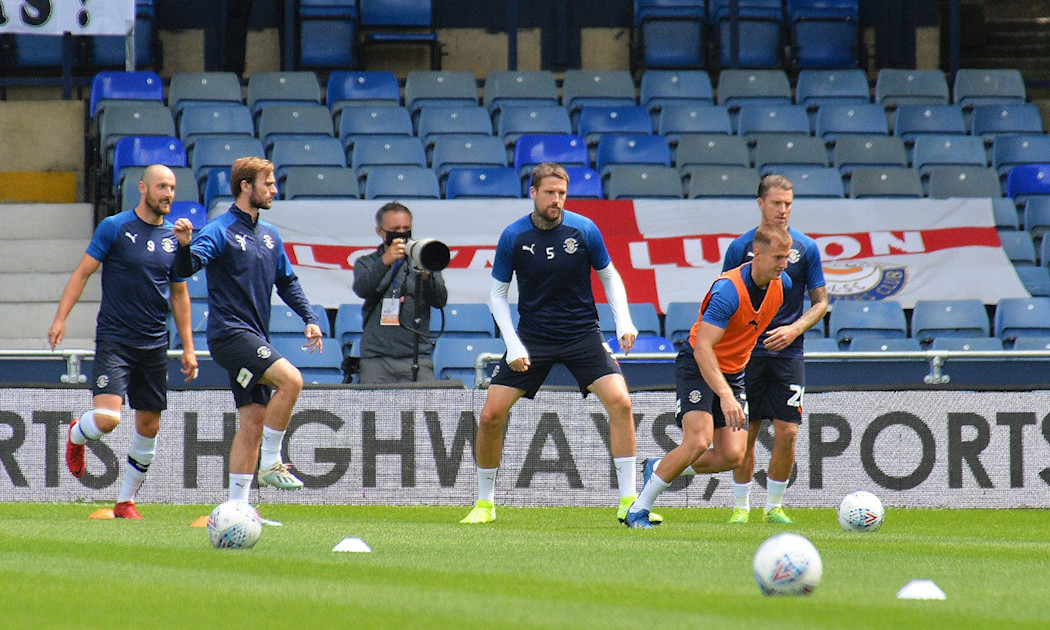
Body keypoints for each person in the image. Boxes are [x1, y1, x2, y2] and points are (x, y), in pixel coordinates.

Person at [460, 162, 648, 526]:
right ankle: (485, 504)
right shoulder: (514, 235)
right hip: (533, 338)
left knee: (621, 403)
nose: (556, 200)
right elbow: (497, 294)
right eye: (549, 192)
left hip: (582, 334)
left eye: (562, 193)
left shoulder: (584, 229)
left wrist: (623, 321)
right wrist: (513, 343)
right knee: (490, 415)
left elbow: (609, 276)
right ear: (533, 193)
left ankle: (629, 502)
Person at [49, 164, 198, 519]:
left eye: (172, 188)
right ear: (143, 189)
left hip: (154, 344)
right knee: (107, 419)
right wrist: (60, 318)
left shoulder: (174, 240)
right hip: (116, 339)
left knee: (149, 427)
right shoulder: (115, 227)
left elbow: (180, 294)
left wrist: (189, 347)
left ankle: (125, 501)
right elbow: (82, 273)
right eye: (162, 187)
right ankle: (77, 434)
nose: (168, 194)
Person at [173, 156, 323, 502]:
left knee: (254, 421)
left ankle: (236, 508)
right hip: (229, 334)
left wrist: (310, 318)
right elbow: (185, 268)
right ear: (245, 186)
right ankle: (271, 463)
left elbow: (287, 282)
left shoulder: (270, 235)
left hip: (253, 336)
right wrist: (184, 245)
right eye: (268, 183)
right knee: (292, 380)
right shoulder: (220, 229)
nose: (274, 190)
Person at [624, 224, 793, 529]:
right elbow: (703, 348)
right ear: (756, 254)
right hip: (698, 365)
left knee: (733, 456)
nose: (783, 264)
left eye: (786, 257)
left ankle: (659, 467)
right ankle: (639, 509)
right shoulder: (728, 291)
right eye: (777, 258)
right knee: (698, 442)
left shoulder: (783, 285)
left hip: (734, 371)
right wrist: (726, 395)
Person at [721, 174, 828, 524]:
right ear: (761, 204)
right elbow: (726, 294)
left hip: (788, 353)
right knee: (746, 431)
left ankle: (774, 506)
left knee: (788, 431)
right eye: (776, 203)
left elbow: (821, 302)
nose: (783, 210)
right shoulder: (739, 248)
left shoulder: (806, 248)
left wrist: (794, 328)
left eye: (788, 204)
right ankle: (741, 507)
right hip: (746, 353)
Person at [352, 201, 448, 384]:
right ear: (380, 232)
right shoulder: (366, 262)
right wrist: (384, 262)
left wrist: (427, 275)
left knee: (427, 400)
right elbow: (362, 289)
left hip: (417, 356)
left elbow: (440, 300)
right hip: (376, 357)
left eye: (406, 228)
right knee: (372, 402)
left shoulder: (423, 259)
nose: (402, 233)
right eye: (395, 229)